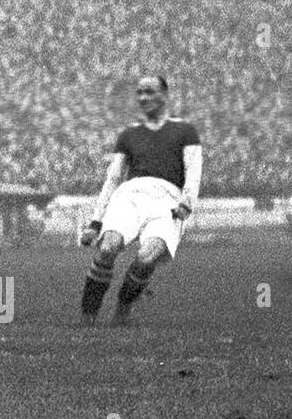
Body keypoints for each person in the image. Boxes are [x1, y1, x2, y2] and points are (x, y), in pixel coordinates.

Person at [79, 75, 202, 326]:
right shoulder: (129, 135)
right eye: (140, 93)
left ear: (165, 96)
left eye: (150, 92)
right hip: (131, 196)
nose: (144, 97)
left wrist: (187, 203)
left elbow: (193, 172)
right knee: (108, 248)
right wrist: (96, 221)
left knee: (147, 257)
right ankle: (88, 315)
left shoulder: (185, 131)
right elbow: (112, 179)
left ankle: (123, 311)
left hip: (167, 201)